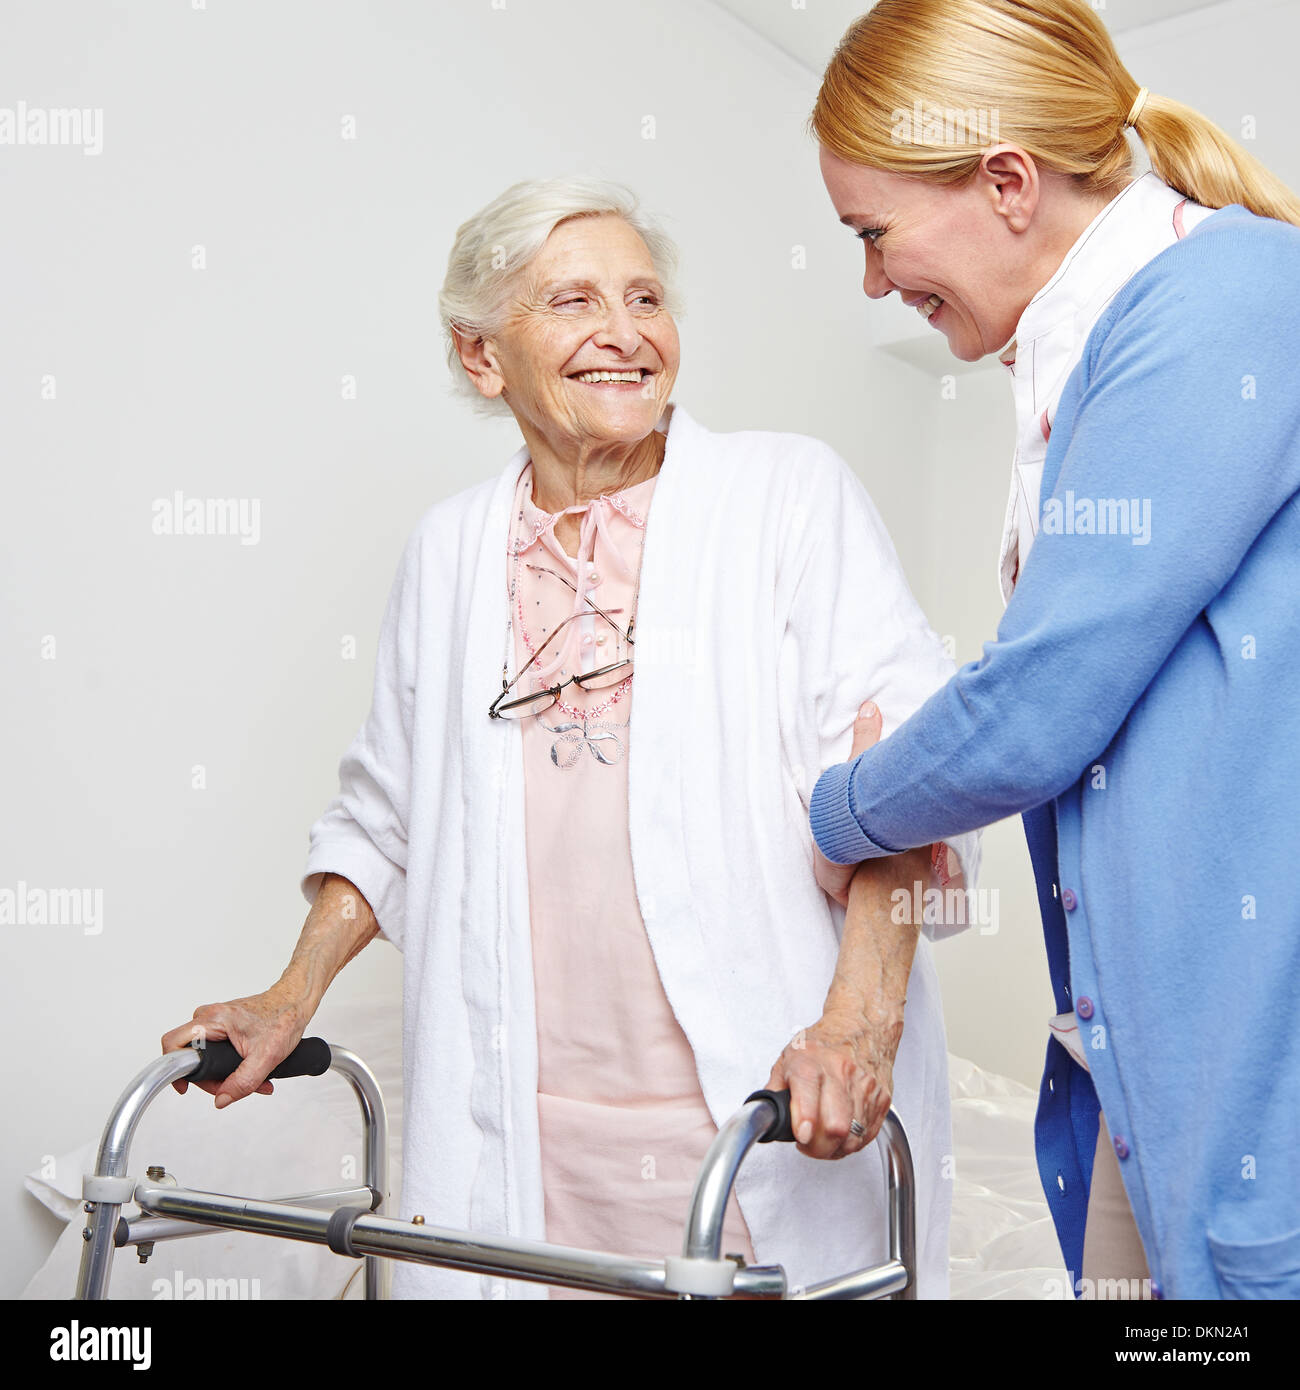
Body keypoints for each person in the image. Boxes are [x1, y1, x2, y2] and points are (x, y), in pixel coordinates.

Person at [161, 175, 980, 1300]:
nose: (625, 333)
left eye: (645, 298)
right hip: (521, 1132)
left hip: (761, 1111)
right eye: (574, 301)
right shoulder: (448, 550)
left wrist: (859, 1028)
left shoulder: (786, 495)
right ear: (481, 356)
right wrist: (288, 997)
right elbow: (385, 815)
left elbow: (910, 779)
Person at [806, 0, 1300, 1300]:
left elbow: (1037, 706)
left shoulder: (1224, 300)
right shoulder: (1087, 362)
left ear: (1007, 183)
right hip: (1141, 1077)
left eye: (872, 233)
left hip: (1252, 1091)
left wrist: (842, 809)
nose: (873, 282)